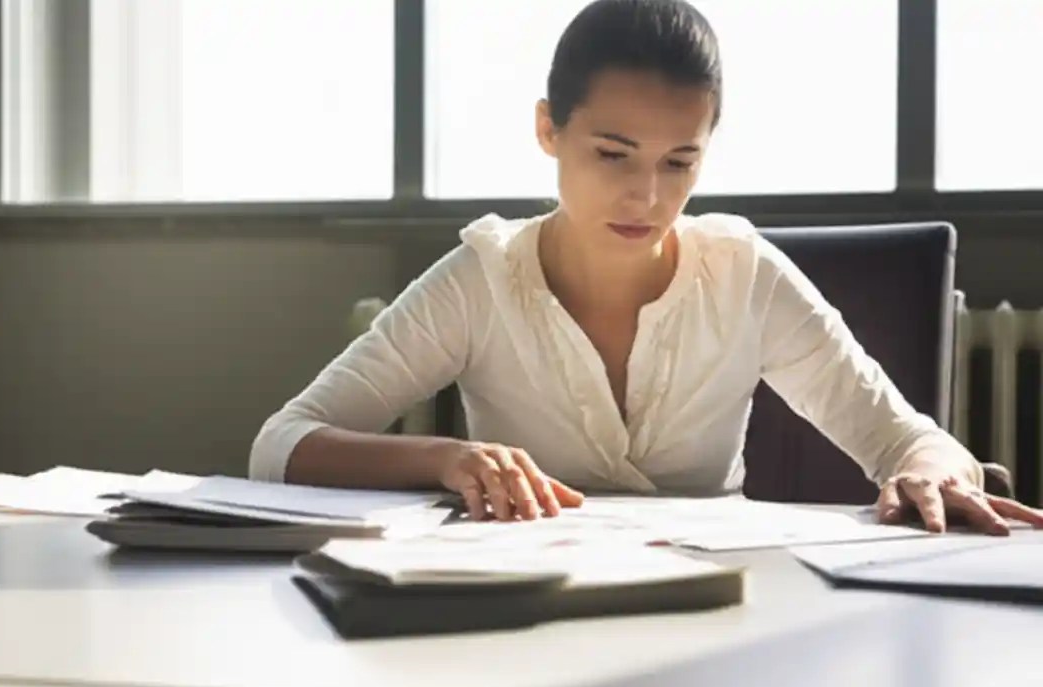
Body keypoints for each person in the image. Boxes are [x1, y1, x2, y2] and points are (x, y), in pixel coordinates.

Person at [249, 0, 1043, 535]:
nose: (647, 194)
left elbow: (911, 440)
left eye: (680, 161)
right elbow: (282, 444)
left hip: (720, 616)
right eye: (613, 153)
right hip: (526, 623)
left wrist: (931, 473)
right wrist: (446, 460)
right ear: (547, 130)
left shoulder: (744, 276)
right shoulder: (483, 278)